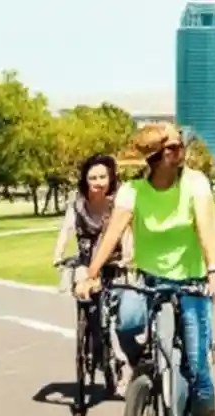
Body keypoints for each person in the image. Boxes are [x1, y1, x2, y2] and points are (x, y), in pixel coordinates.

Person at [76, 122, 215, 416]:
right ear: (158, 157)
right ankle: (145, 377)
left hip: (192, 281)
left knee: (197, 368)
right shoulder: (133, 191)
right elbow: (113, 232)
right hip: (148, 278)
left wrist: (213, 268)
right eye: (174, 147)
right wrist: (92, 273)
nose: (181, 150)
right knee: (127, 322)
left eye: (179, 145)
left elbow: (206, 227)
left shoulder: (195, 182)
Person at [53, 153, 134, 396]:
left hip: (114, 261)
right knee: (85, 294)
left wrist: (129, 257)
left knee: (118, 317)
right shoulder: (78, 204)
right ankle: (90, 344)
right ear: (85, 180)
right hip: (87, 262)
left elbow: (126, 232)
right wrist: (58, 253)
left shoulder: (118, 203)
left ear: (111, 178)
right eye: (92, 177)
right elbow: (66, 230)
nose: (98, 182)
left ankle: (122, 363)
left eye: (102, 177)